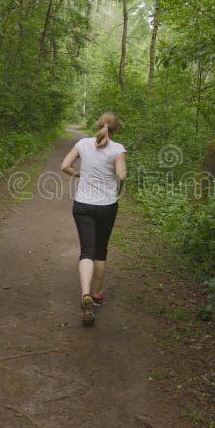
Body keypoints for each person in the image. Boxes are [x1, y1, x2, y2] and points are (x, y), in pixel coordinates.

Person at [61, 112, 127, 325]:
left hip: (83, 205)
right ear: (116, 129)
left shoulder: (83, 144)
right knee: (100, 251)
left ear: (99, 125)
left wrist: (80, 175)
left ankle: (85, 294)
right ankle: (96, 296)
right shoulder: (118, 149)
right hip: (107, 206)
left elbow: (65, 166)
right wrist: (118, 187)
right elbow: (122, 175)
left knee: (86, 251)